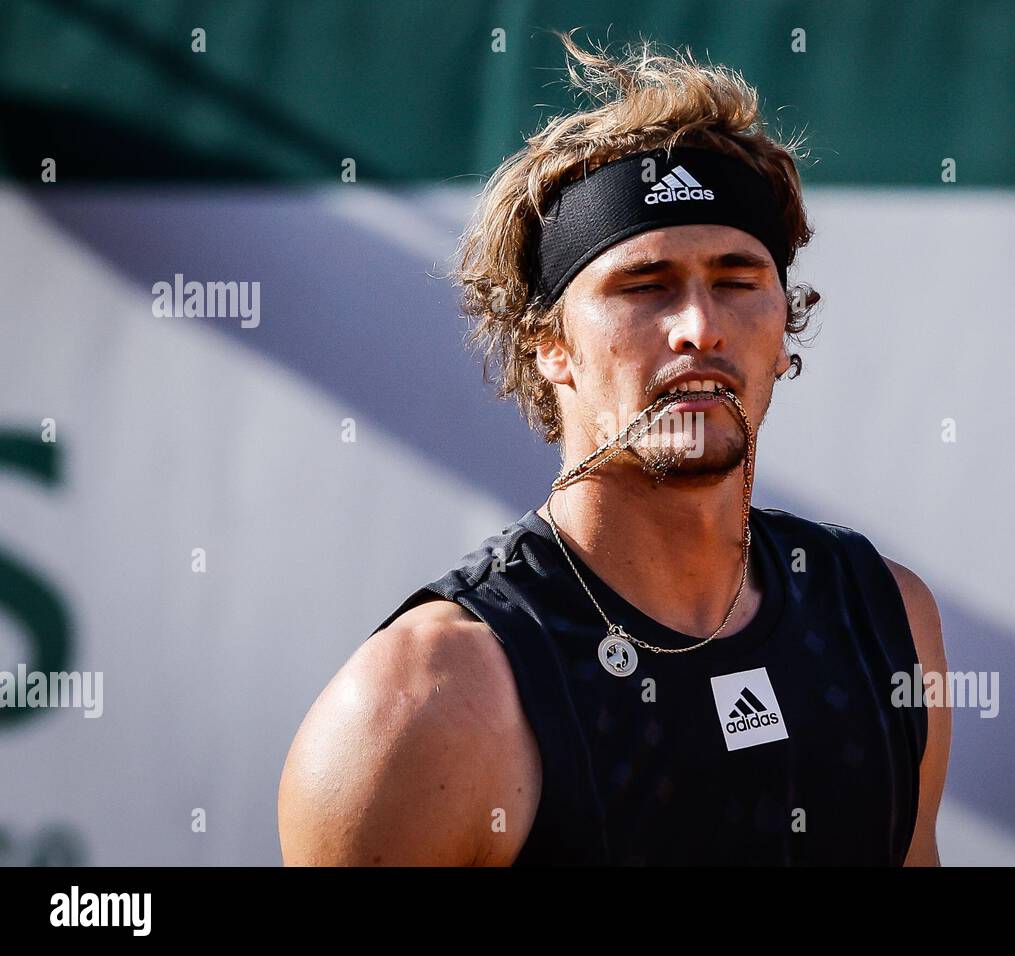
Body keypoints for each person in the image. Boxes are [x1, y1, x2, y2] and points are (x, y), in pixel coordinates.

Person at [279, 31, 950, 866]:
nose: (700, 327)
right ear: (547, 345)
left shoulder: (882, 616)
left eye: (738, 281)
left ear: (785, 327)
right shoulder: (424, 703)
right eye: (644, 285)